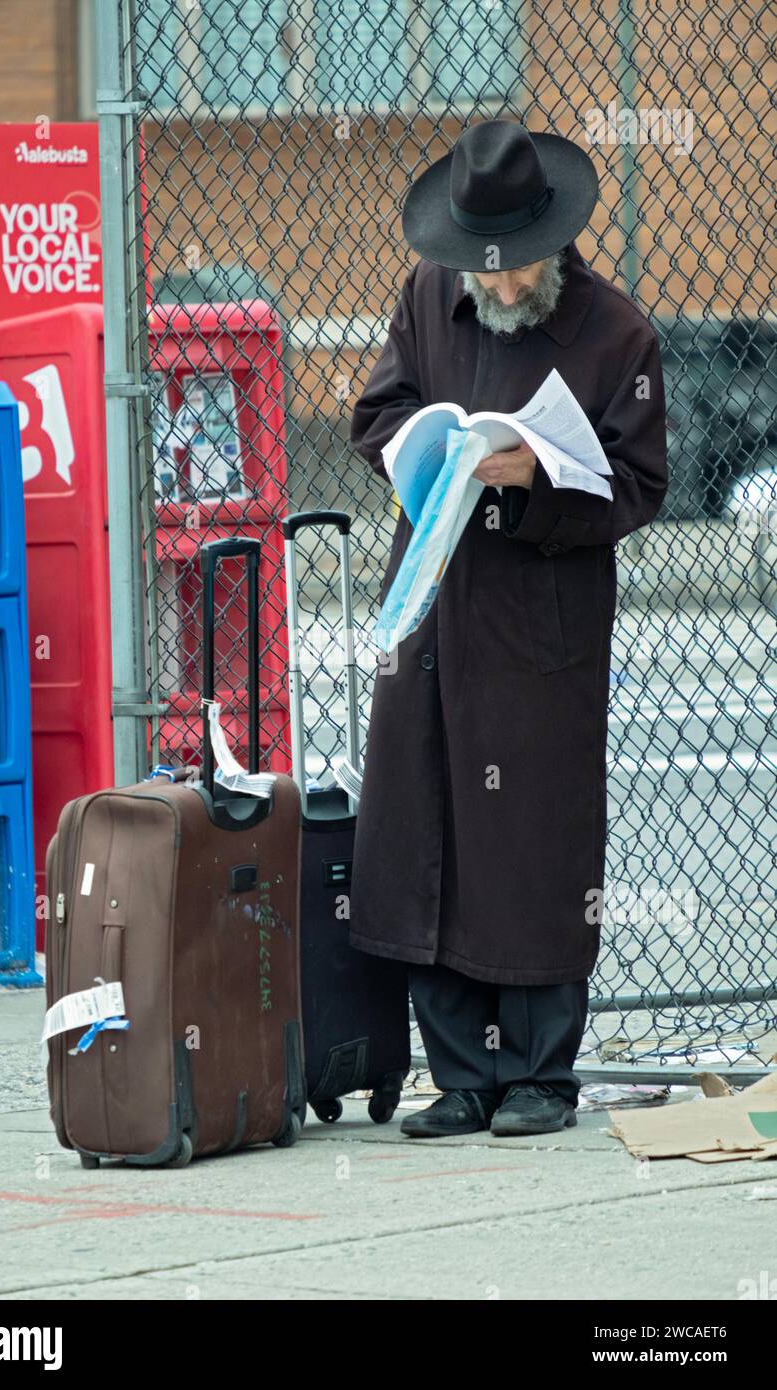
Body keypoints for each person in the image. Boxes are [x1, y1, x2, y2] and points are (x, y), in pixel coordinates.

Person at [348, 119, 668, 1138]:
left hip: (539, 621)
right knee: (423, 820)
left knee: (529, 837)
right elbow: (375, 411)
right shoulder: (423, 297)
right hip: (434, 603)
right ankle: (459, 1075)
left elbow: (637, 484)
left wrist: (533, 476)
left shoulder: (617, 334)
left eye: (515, 265)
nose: (497, 283)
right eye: (478, 267)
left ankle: (536, 1073)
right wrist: (421, 444)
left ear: (554, 236)